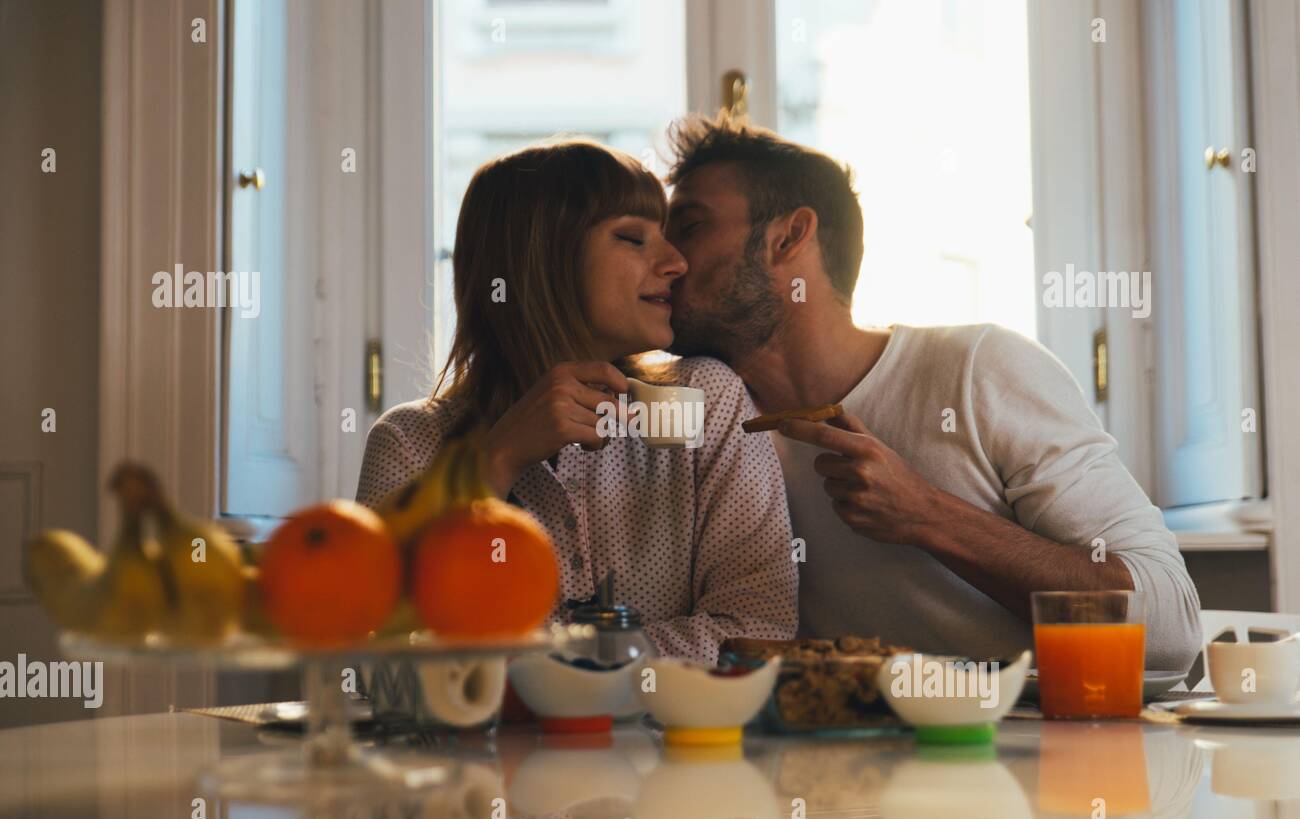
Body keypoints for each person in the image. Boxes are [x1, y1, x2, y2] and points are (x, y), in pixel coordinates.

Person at [661, 114, 1200, 671]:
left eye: (690, 226)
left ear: (789, 238)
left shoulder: (979, 370)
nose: (666, 259)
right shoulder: (698, 429)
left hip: (1034, 751)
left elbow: (1169, 630)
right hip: (839, 753)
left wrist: (927, 516)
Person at [355, 139, 798, 664]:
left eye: (672, 237)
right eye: (633, 238)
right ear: (538, 261)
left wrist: (557, 667)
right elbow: (378, 661)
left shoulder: (707, 402)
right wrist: (493, 468)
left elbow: (757, 632)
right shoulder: (409, 443)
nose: (676, 262)